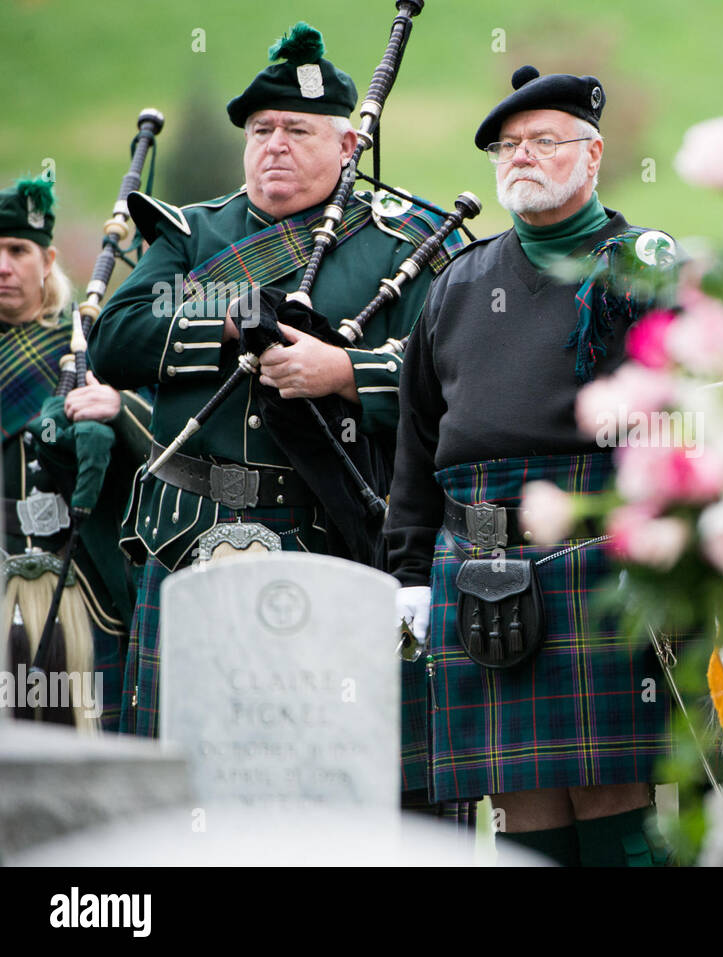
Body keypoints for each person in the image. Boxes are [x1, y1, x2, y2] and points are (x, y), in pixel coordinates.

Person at [87, 22, 462, 767]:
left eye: (297, 128)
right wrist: (227, 326)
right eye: (261, 129)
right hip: (189, 535)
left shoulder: (403, 245)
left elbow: (449, 377)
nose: (275, 145)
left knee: (321, 767)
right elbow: (117, 339)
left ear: (348, 146)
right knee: (185, 776)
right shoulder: (192, 237)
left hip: (336, 531)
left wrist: (343, 372)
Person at [386, 65, 684, 866]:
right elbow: (417, 440)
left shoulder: (644, 268)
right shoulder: (457, 285)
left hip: (598, 554)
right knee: (516, 801)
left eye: (543, 141)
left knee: (612, 785)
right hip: (472, 557)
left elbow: (691, 413)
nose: (521, 156)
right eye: (507, 146)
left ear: (591, 157)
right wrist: (412, 570)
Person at [1, 175, 149, 731]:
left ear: (48, 260)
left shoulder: (89, 350)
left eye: (17, 250)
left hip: (83, 584)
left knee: (91, 741)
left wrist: (114, 409)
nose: (4, 267)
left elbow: (156, 435)